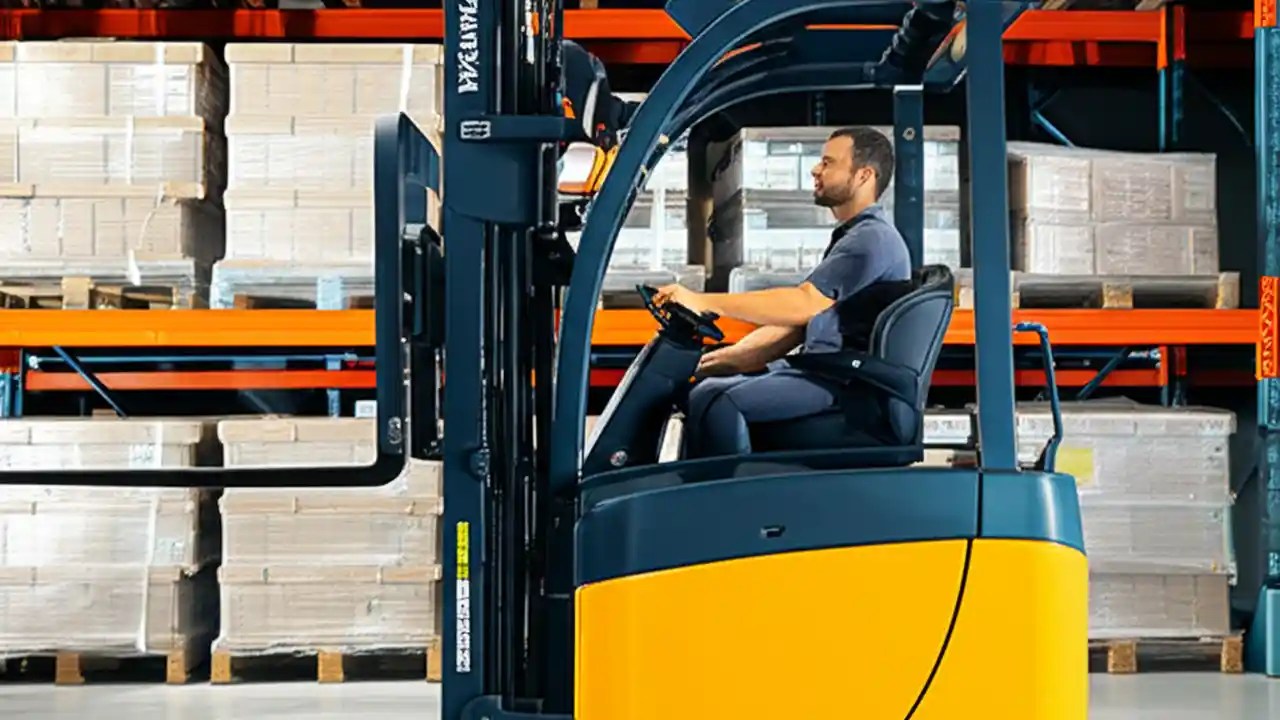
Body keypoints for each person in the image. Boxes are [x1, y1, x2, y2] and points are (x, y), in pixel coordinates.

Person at [654, 126, 911, 458]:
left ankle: (729, 501)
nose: (816, 169)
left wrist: (699, 299)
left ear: (864, 176)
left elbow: (802, 304)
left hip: (845, 382)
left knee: (718, 401)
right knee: (704, 389)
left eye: (828, 162)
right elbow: (796, 327)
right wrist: (725, 359)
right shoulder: (855, 236)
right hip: (826, 370)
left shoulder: (870, 240)